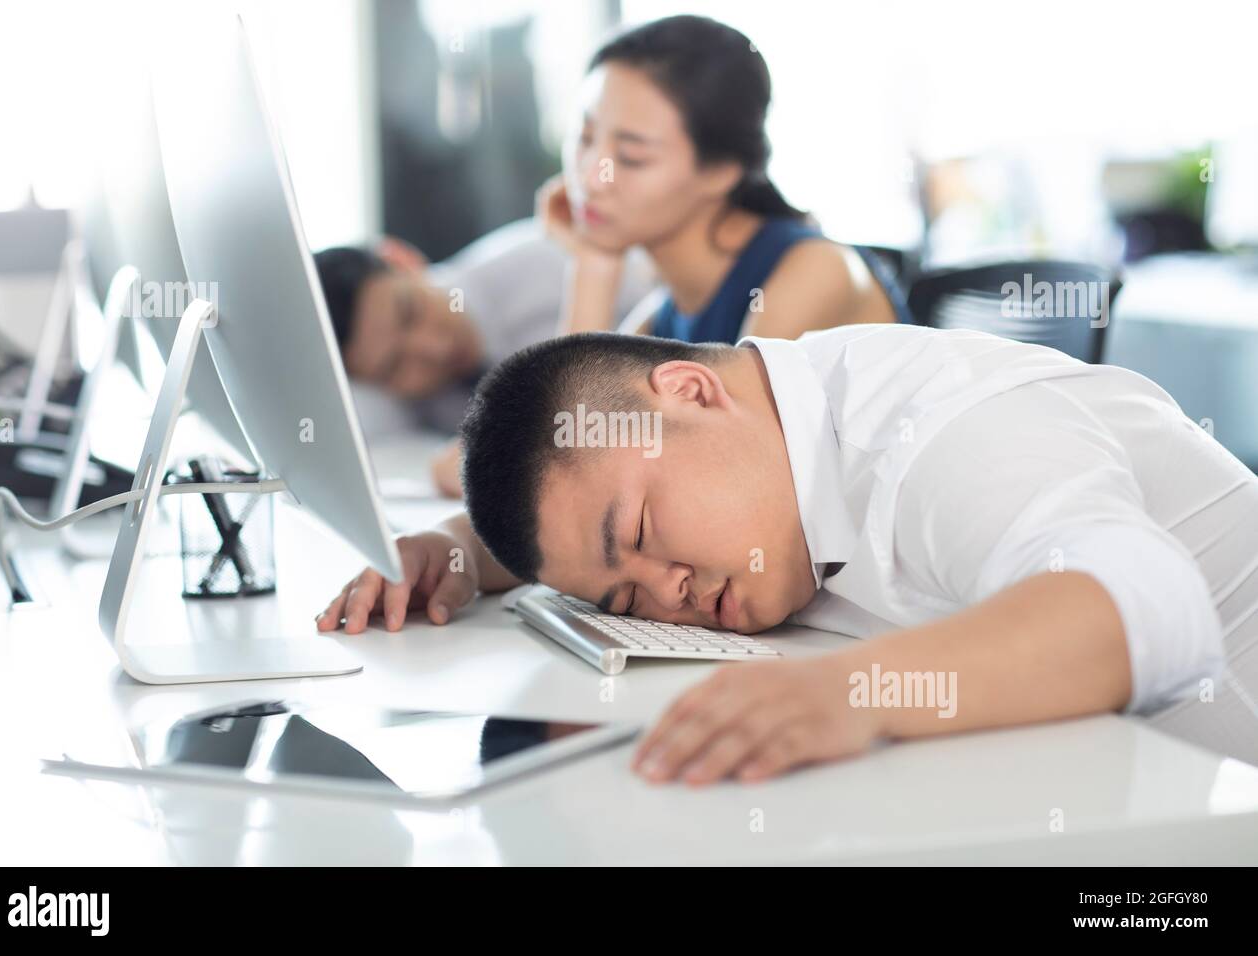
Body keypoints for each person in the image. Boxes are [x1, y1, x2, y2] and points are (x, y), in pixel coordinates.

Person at [316, 324, 1258, 783]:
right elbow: (593, 526)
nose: (669, 594)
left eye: (643, 541)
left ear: (688, 390)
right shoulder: (762, 441)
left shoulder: (942, 432)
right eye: (627, 601)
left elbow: (1147, 610)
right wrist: (457, 550)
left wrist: (846, 691)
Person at [537, 15, 912, 343]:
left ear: (721, 171)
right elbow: (572, 422)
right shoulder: (662, 316)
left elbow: (720, 426)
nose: (591, 176)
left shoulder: (813, 274)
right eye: (584, 138)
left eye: (633, 157)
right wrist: (594, 260)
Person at [314, 219, 656, 493]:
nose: (434, 348)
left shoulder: (550, 261)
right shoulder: (395, 398)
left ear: (402, 259)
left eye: (410, 313)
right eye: (394, 365)